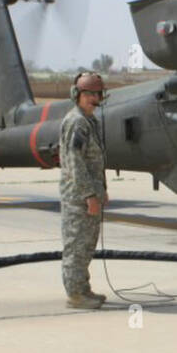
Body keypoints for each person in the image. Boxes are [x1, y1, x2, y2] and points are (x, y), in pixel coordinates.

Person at [59, 71, 108, 309]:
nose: (93, 98)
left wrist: (102, 190)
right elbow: (75, 162)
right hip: (78, 196)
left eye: (97, 93)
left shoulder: (90, 121)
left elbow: (96, 161)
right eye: (88, 93)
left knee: (87, 244)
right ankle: (75, 294)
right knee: (76, 245)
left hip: (90, 193)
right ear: (76, 94)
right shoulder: (77, 122)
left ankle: (83, 288)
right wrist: (89, 195)